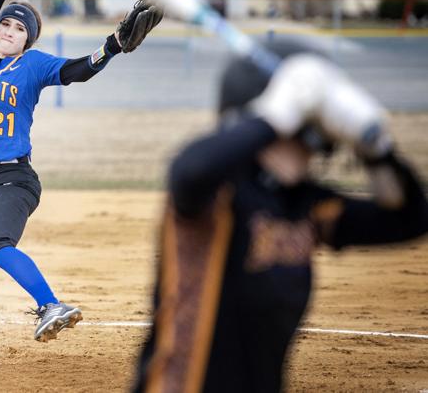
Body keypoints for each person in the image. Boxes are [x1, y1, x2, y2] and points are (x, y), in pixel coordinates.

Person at [133, 37, 428, 392]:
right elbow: (188, 171)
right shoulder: (218, 193)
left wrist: (379, 151)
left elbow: (410, 219)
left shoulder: (306, 205)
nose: (315, 149)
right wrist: (276, 116)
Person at [0, 0, 162, 367]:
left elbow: (77, 70)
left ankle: (50, 305)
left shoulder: (34, 65)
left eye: (18, 30)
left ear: (28, 41)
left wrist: (111, 46)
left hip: (15, 179)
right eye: (5, 26)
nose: (7, 31)